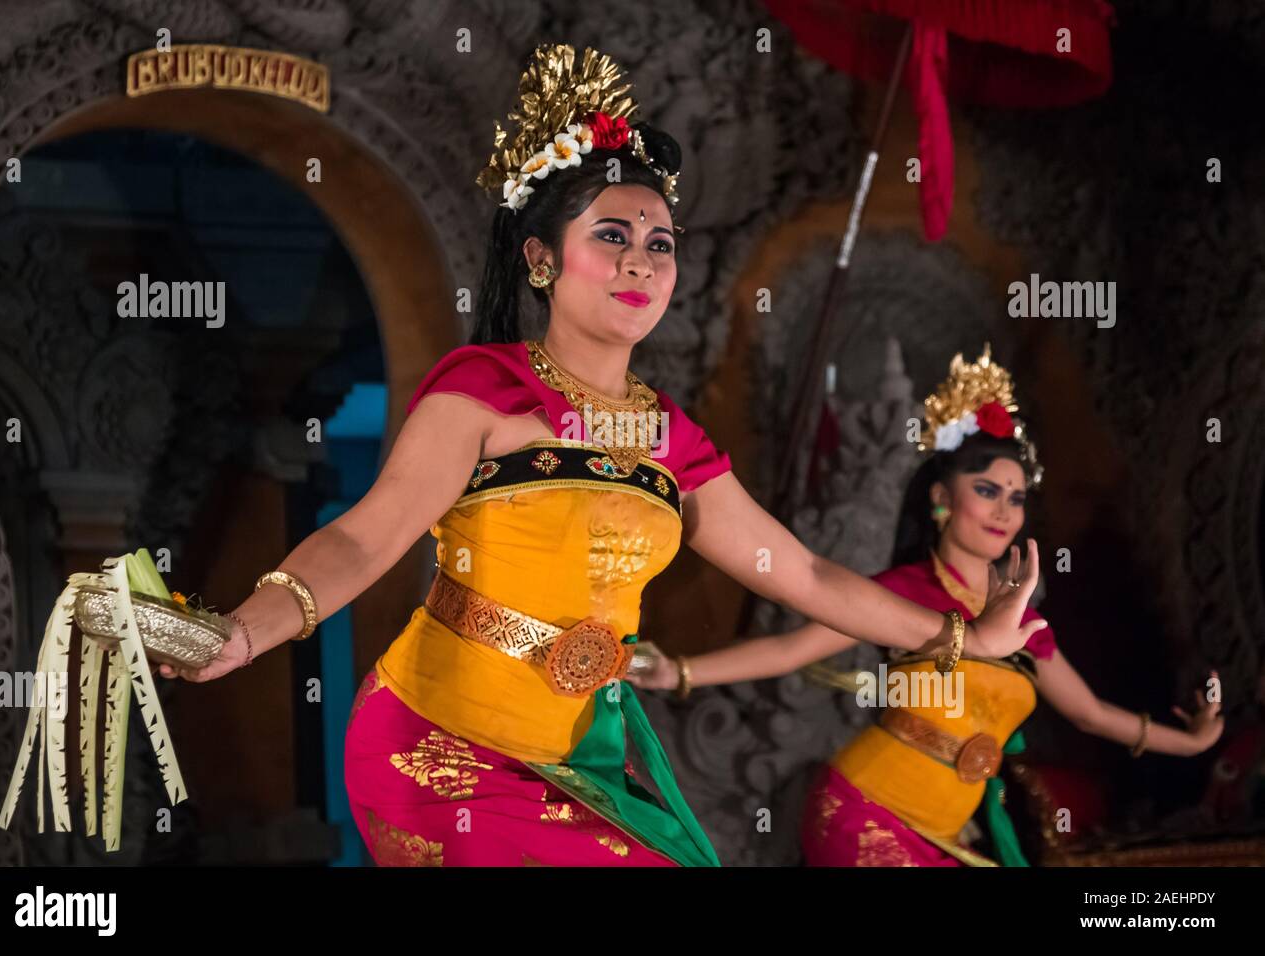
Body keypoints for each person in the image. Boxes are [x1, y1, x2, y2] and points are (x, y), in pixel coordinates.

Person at [159, 45, 1045, 867]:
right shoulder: (486, 387)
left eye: (659, 244)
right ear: (542, 261)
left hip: (573, 765)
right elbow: (363, 538)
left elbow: (807, 575)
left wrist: (964, 637)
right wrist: (246, 631)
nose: (641, 263)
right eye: (611, 236)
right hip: (439, 745)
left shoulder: (671, 438)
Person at [631, 346, 1225, 865]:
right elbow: (792, 648)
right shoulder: (905, 593)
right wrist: (678, 671)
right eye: (987, 491)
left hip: (945, 835)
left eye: (1016, 498)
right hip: (865, 811)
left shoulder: (1022, 623)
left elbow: (1091, 713)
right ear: (941, 499)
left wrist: (1194, 742)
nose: (1003, 511)